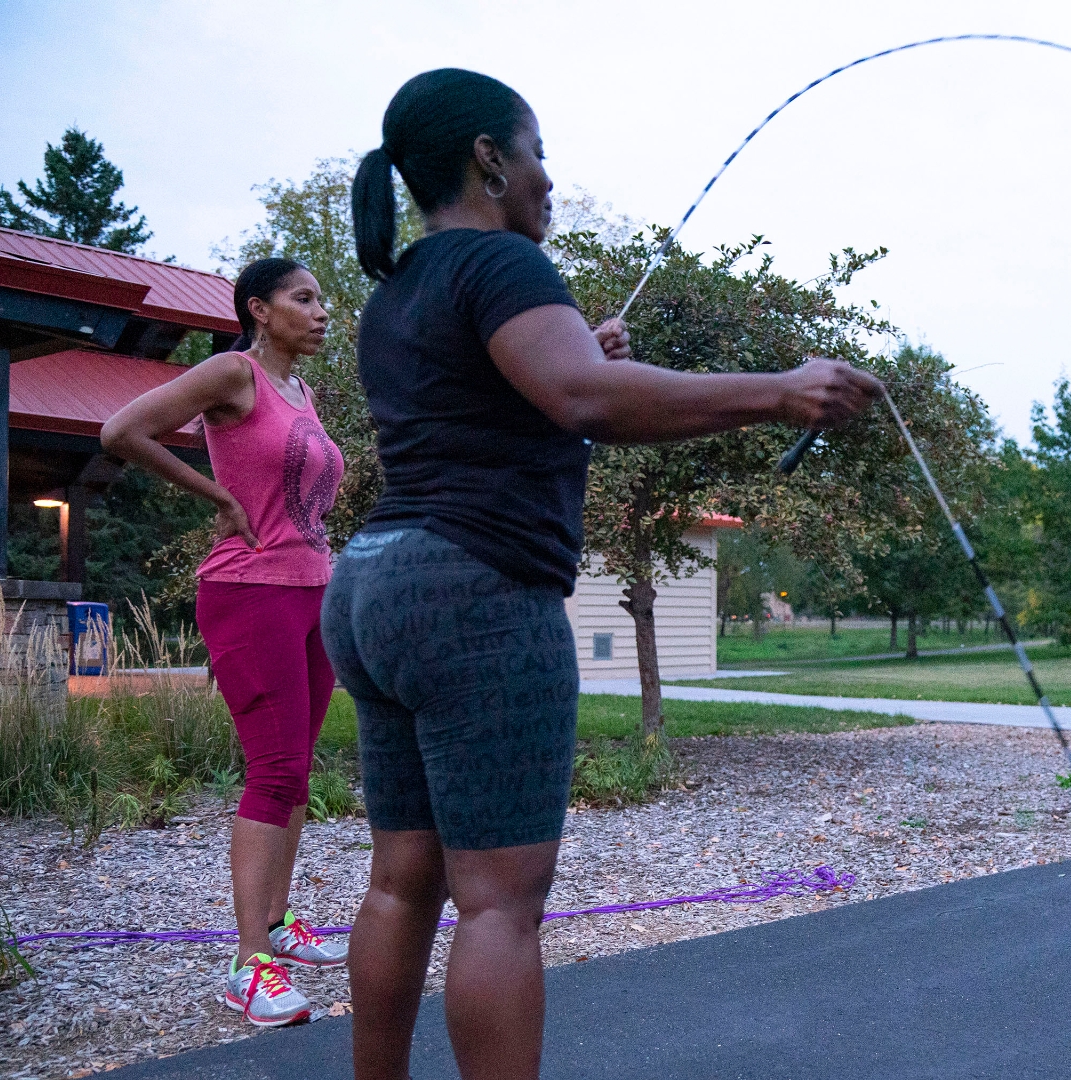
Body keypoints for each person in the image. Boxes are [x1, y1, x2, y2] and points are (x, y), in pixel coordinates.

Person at [327, 69, 881, 1080]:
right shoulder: (504, 262)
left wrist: (582, 350)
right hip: (474, 594)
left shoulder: (396, 292)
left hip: (372, 583)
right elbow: (584, 398)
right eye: (536, 153)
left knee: (401, 883)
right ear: (489, 160)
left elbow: (506, 395)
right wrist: (781, 390)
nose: (548, 178)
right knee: (497, 903)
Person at [102, 257, 347, 1028]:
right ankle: (249, 964)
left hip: (312, 592)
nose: (321, 312)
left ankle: (277, 921)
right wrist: (215, 495)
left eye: (322, 299)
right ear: (259, 309)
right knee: (272, 769)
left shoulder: (301, 392)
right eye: (304, 298)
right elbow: (121, 431)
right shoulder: (233, 373)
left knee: (297, 769)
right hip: (251, 593)